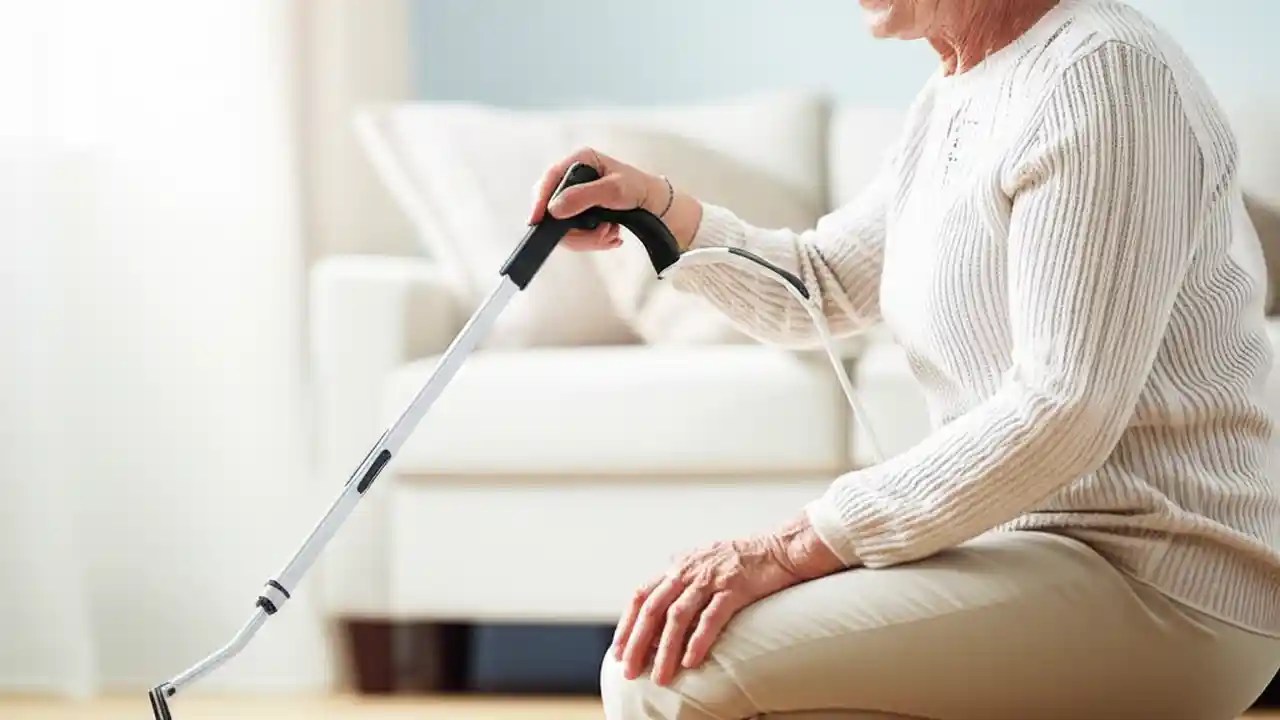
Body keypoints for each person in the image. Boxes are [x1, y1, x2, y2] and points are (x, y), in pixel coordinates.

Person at [528, 1, 1280, 717]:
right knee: (670, 667)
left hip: (1162, 579)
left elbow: (1065, 405)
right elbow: (816, 287)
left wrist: (793, 547)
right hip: (1030, 556)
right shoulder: (957, 95)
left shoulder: (1103, 75)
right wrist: (654, 209)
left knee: (668, 678)